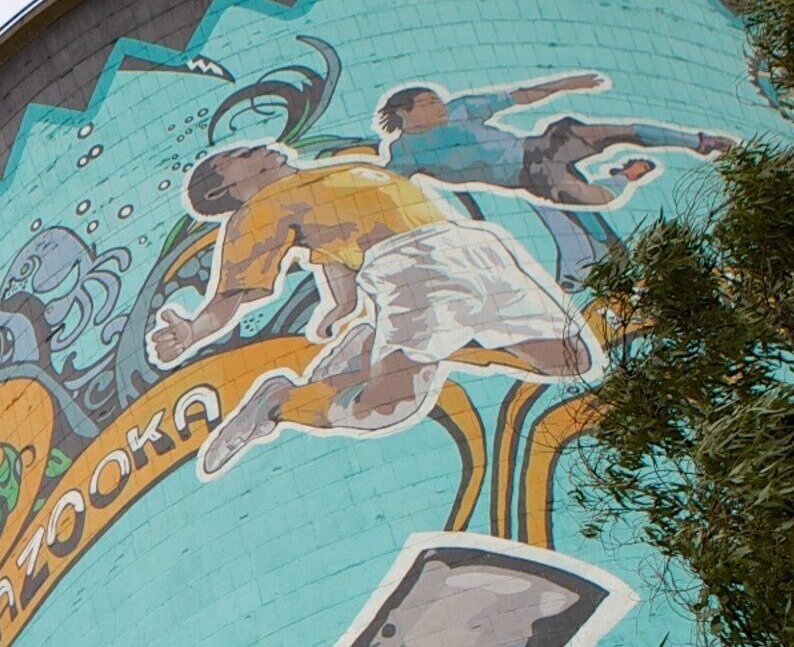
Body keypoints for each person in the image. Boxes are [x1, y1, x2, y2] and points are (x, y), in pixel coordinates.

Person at [142, 142, 598, 478]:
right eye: (240, 156)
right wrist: (192, 331)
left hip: (472, 247)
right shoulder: (257, 213)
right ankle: (281, 402)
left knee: (570, 360)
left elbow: (334, 248)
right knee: (390, 402)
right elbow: (232, 296)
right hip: (413, 265)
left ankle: (373, 349)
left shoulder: (329, 175)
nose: (258, 148)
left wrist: (342, 306)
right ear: (226, 188)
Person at [374, 74, 734, 209]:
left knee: (618, 131)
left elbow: (518, 96)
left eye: (437, 100)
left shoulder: (461, 109)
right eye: (429, 103)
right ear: (404, 112)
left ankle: (699, 141)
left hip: (539, 147)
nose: (439, 107)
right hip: (530, 176)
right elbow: (385, 187)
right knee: (598, 197)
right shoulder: (404, 152)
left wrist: (566, 84)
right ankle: (626, 174)